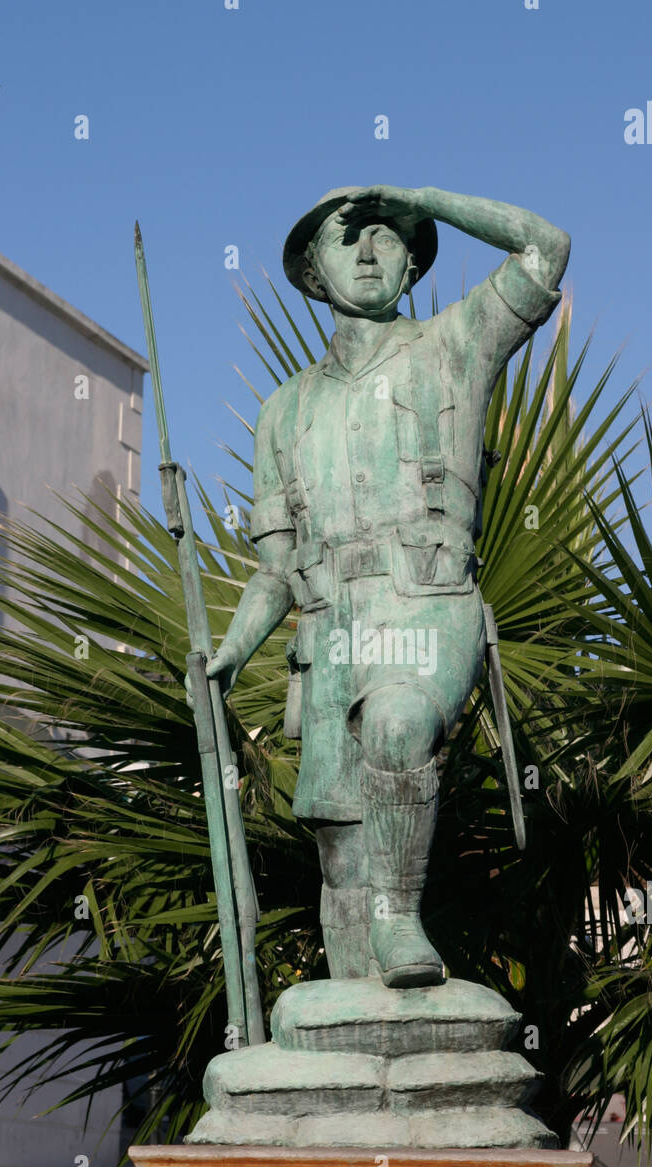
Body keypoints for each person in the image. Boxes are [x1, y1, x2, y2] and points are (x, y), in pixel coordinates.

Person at [202, 184, 569, 988]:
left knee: (399, 726)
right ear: (312, 269)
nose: (367, 252)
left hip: (427, 603)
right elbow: (275, 570)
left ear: (412, 261)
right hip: (330, 629)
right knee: (341, 851)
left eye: (389, 235)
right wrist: (231, 652)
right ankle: (355, 1011)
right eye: (348, 238)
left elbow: (546, 246)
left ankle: (402, 923)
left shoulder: (454, 344)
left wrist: (421, 196)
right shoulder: (283, 413)